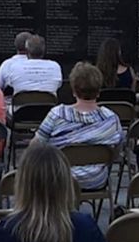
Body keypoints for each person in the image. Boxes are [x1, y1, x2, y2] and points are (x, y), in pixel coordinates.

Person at [30, 63, 124, 192]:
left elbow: (35, 146)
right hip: (95, 180)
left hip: (60, 179)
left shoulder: (57, 114)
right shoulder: (111, 118)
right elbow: (116, 153)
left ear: (73, 90)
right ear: (98, 91)